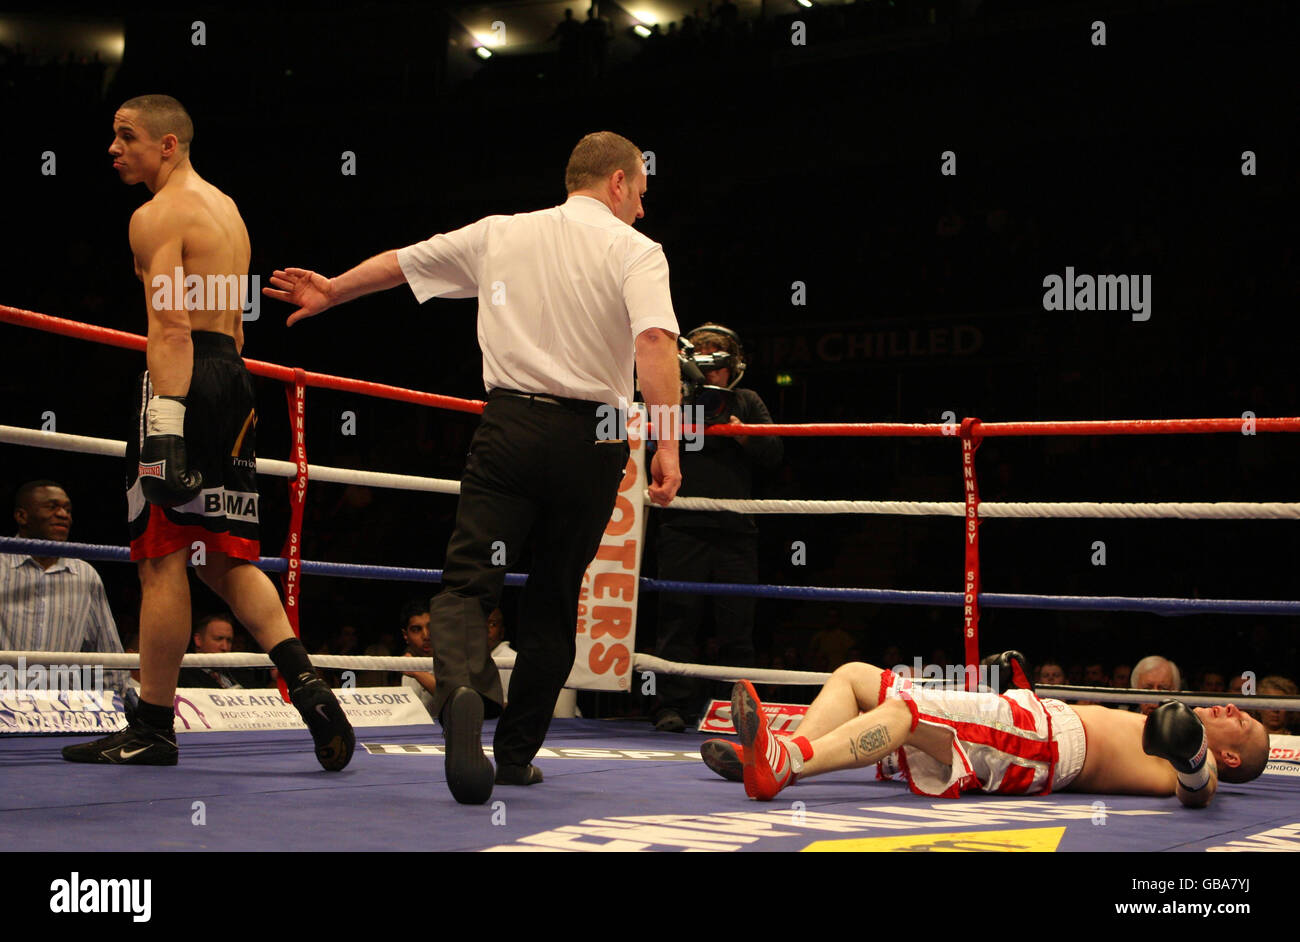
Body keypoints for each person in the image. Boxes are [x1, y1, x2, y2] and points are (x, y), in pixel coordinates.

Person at [264, 130, 683, 803]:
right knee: (553, 596)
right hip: (595, 441)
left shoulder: (500, 233)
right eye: (640, 191)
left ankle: (459, 690)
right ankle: (515, 757)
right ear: (616, 182)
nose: (641, 208)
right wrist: (668, 443)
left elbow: (405, 263)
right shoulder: (634, 249)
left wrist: (333, 290)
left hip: (511, 426)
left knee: (467, 586)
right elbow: (657, 341)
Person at [62, 95, 353, 769]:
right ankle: (311, 692)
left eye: (126, 136)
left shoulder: (156, 214)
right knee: (227, 557)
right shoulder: (226, 208)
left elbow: (167, 325)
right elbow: (233, 324)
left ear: (167, 145)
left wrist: (164, 421)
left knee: (162, 559)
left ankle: (154, 727)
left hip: (182, 378)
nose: (113, 148)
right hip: (231, 378)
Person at [706, 656, 1270, 808]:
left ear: (1231, 756)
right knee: (855, 678)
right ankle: (784, 756)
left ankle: (785, 762)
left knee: (903, 713)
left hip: (1046, 744)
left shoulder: (1199, 763)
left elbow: (1201, 793)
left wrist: (1195, 759)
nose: (1228, 707)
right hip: (1031, 726)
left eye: (1240, 721)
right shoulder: (1177, 735)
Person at [650, 323, 782, 732]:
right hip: (682, 526)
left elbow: (775, 455)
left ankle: (737, 711)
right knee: (676, 621)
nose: (710, 372)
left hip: (735, 529)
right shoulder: (672, 403)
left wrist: (743, 436)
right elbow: (647, 446)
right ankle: (671, 707)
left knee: (736, 625)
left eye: (717, 362)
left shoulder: (748, 400)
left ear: (733, 367)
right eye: (701, 361)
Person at [2, 481, 131, 695]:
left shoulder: (84, 575)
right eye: (52, 507)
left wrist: (119, 704)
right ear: (21, 516)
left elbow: (106, 652)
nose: (63, 514)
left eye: (68, 510)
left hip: (63, 711)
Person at [176, 613, 272, 688]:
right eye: (218, 639)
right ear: (198, 640)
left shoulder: (242, 673)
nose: (225, 647)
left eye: (229, 640)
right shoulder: (180, 677)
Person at [399, 599, 437, 716]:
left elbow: (455, 697)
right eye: (416, 630)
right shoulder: (405, 663)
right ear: (406, 635)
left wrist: (416, 671)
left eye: (431, 627)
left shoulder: (457, 658)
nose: (426, 636)